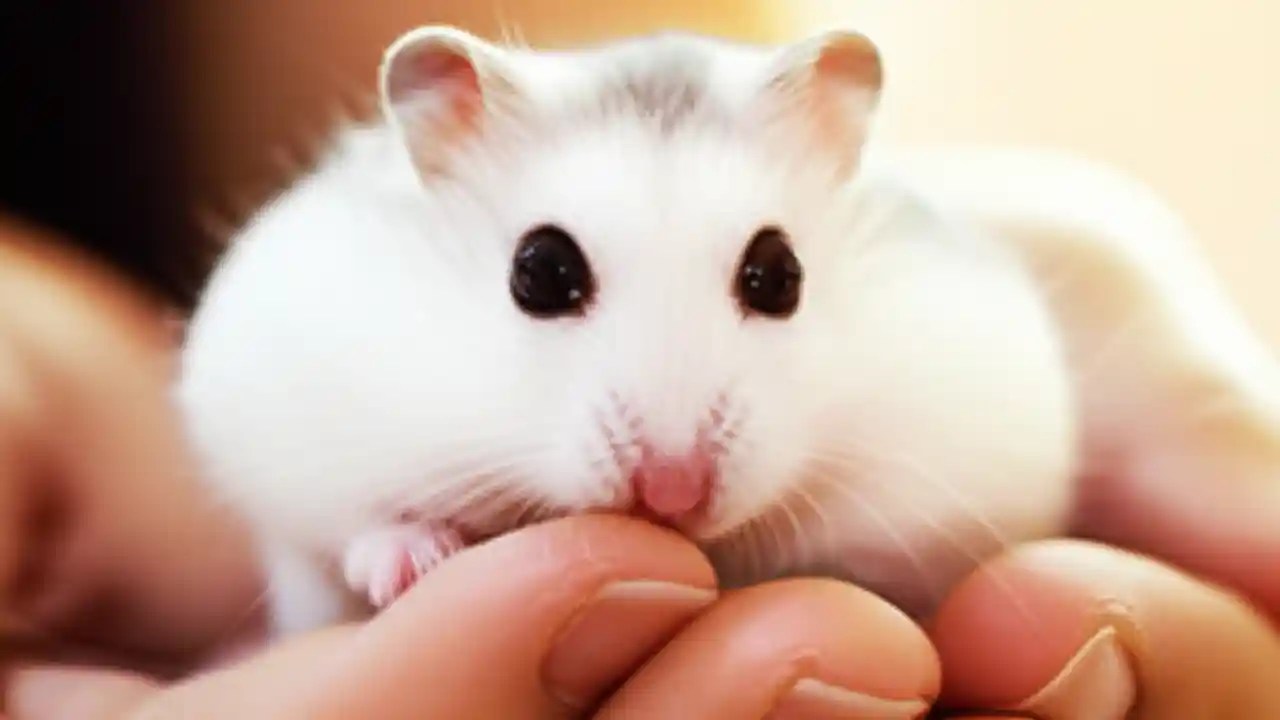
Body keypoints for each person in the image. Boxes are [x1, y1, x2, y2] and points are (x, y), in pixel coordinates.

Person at [2, 216, 1279, 719]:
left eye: (767, 284)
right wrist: (354, 531)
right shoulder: (340, 292)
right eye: (549, 282)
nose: (671, 464)